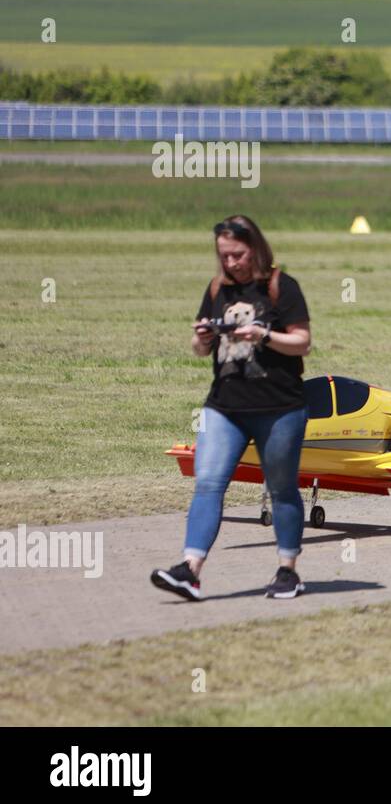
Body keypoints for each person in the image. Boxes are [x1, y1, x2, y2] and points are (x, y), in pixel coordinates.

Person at [151, 216, 313, 600]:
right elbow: (199, 348)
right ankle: (189, 570)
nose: (231, 263)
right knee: (207, 483)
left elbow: (302, 342)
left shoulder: (280, 287)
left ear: (255, 248)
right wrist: (202, 338)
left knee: (282, 489)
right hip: (224, 406)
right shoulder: (217, 289)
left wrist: (263, 335)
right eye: (224, 256)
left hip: (279, 407)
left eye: (237, 255)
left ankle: (288, 571)